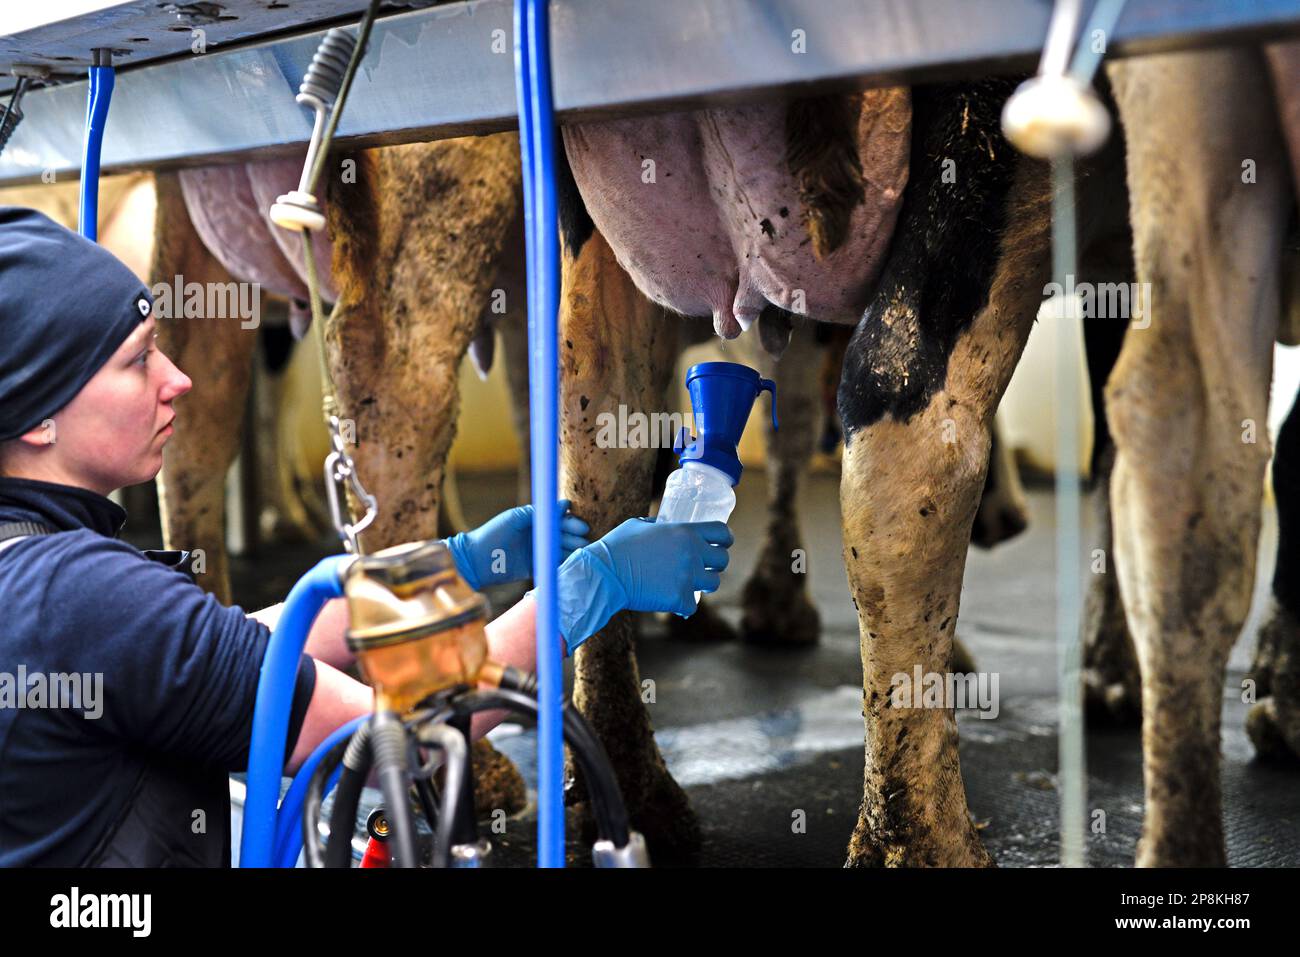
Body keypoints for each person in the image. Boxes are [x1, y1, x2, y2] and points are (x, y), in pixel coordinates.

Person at [0, 206, 733, 867]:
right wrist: (589, 588)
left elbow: (243, 650)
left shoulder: (35, 574)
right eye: (138, 358)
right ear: (38, 415)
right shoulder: (84, 596)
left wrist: (459, 563)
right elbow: (410, 731)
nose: (177, 378)